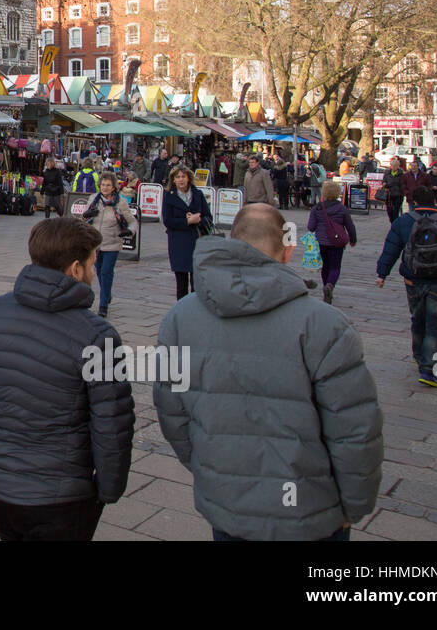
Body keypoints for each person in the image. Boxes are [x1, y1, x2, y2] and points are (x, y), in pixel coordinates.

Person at [153, 203, 383, 541]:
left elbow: (173, 415)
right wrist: (355, 505)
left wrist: (210, 470)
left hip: (228, 503)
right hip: (310, 512)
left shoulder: (179, 318)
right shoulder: (326, 324)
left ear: (231, 242)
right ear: (288, 251)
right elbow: (354, 430)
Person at [0, 218, 134, 541]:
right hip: (63, 496)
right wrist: (108, 489)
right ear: (75, 270)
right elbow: (112, 425)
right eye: (92, 264)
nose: (94, 273)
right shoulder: (98, 336)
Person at [376, 186, 437, 388]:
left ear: (413, 202)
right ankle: (429, 370)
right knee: (434, 326)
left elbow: (391, 249)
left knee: (417, 318)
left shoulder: (403, 222)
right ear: (434, 201)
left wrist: (382, 273)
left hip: (413, 279)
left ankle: (418, 355)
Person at [84, 174, 135, 317]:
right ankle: (107, 293)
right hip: (95, 243)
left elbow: (132, 221)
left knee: (106, 271)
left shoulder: (120, 203)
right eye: (103, 185)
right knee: (99, 271)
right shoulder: (94, 200)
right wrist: (86, 214)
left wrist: (129, 231)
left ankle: (103, 305)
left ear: (113, 187)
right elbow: (85, 218)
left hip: (112, 242)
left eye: (108, 185)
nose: (104, 188)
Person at [163, 166, 212, 300]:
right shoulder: (168, 196)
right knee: (181, 284)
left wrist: (198, 219)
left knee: (197, 283)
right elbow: (167, 220)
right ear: (173, 180)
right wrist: (187, 221)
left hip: (196, 241)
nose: (181, 180)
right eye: (177, 177)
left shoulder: (198, 194)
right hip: (178, 243)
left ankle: (197, 311)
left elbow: (208, 217)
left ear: (189, 178)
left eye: (183, 176)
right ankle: (182, 313)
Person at [306, 181, 357, 305]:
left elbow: (311, 227)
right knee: (335, 267)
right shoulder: (342, 208)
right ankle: (330, 285)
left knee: (326, 266)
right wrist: (353, 239)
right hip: (337, 242)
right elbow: (350, 226)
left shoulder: (317, 208)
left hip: (322, 242)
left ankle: (326, 286)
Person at [382, 157, 405, 222]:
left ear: (398, 166)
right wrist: (384, 185)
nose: (393, 167)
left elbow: (404, 183)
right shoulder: (387, 172)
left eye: (395, 166)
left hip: (398, 194)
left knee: (396, 211)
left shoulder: (401, 173)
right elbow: (384, 181)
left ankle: (395, 225)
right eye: (392, 166)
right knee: (389, 211)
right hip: (389, 194)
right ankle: (392, 222)